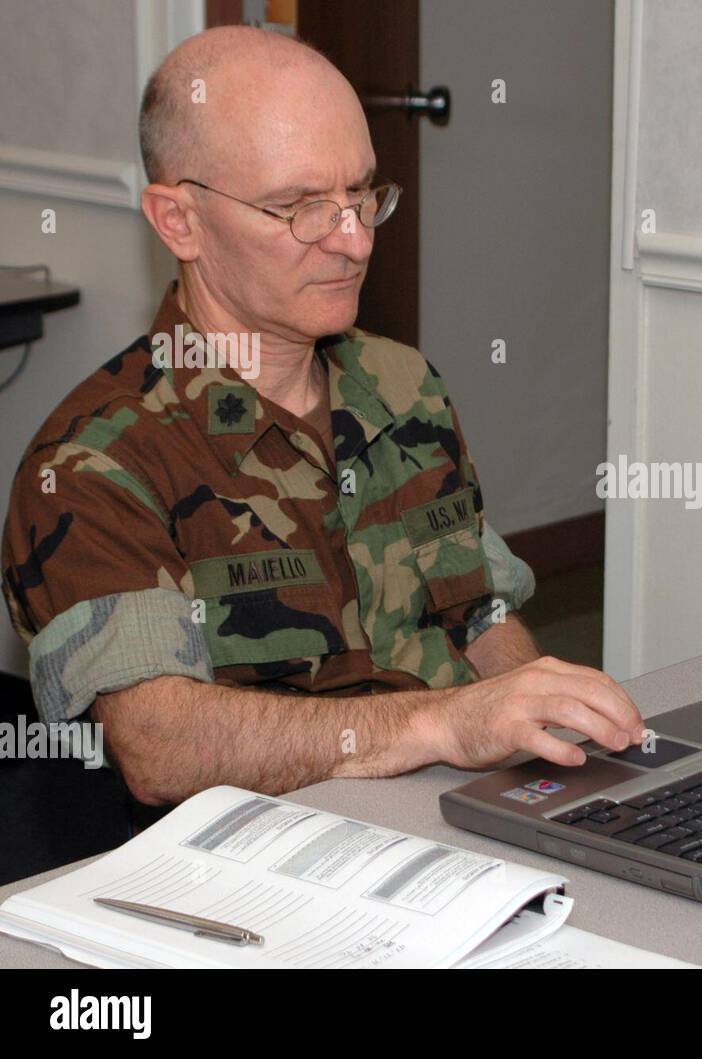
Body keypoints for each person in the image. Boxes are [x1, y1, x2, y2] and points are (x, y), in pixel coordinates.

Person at [1, 26, 642, 807]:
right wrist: (442, 722)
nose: (354, 240)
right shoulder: (92, 463)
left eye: (363, 193)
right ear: (179, 221)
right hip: (252, 873)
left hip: (455, 816)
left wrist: (547, 747)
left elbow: (480, 614)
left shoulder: (403, 385)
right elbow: (160, 743)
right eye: (300, 206)